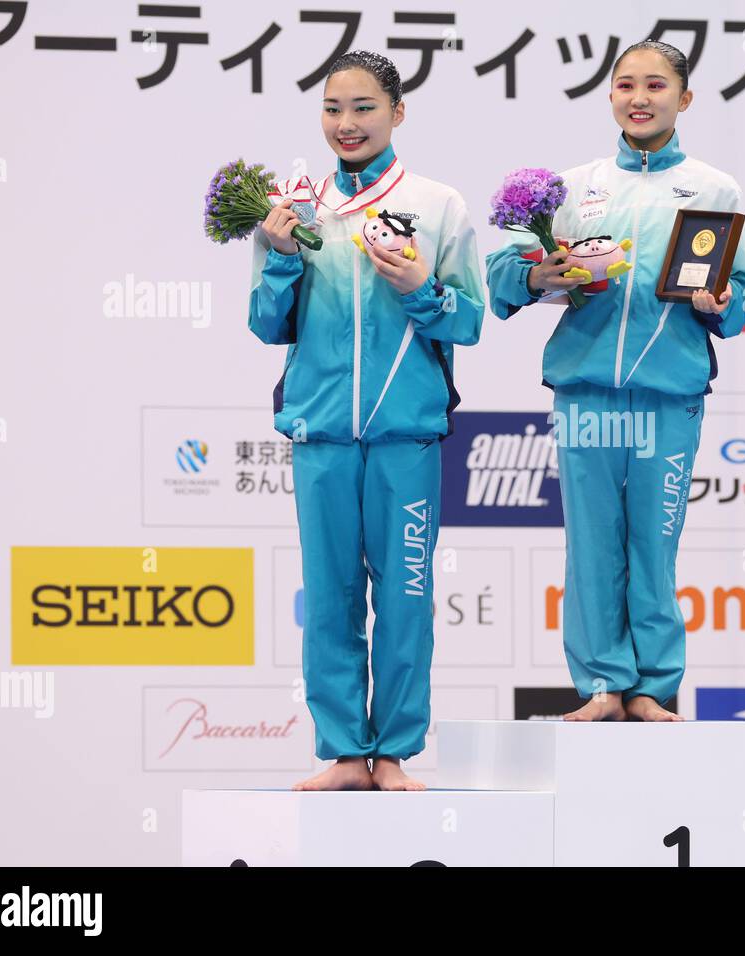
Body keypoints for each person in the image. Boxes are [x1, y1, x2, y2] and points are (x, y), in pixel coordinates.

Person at [485, 40, 745, 721]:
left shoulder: (712, 187)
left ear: (684, 99)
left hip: (669, 394)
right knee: (591, 541)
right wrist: (534, 275)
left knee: (654, 543)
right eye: (625, 85)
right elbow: (504, 272)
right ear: (609, 96)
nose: (639, 97)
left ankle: (652, 688)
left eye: (656, 86)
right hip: (585, 390)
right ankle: (603, 686)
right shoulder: (572, 186)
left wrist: (723, 303)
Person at [249, 50, 484, 791]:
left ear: (398, 113)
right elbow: (265, 324)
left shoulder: (440, 204)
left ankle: (394, 754)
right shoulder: (295, 208)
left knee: (406, 600)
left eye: (362, 108)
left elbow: (470, 323)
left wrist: (421, 287)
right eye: (331, 108)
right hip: (320, 434)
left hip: (406, 436)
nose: (345, 123)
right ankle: (346, 753)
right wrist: (281, 254)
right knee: (330, 602)